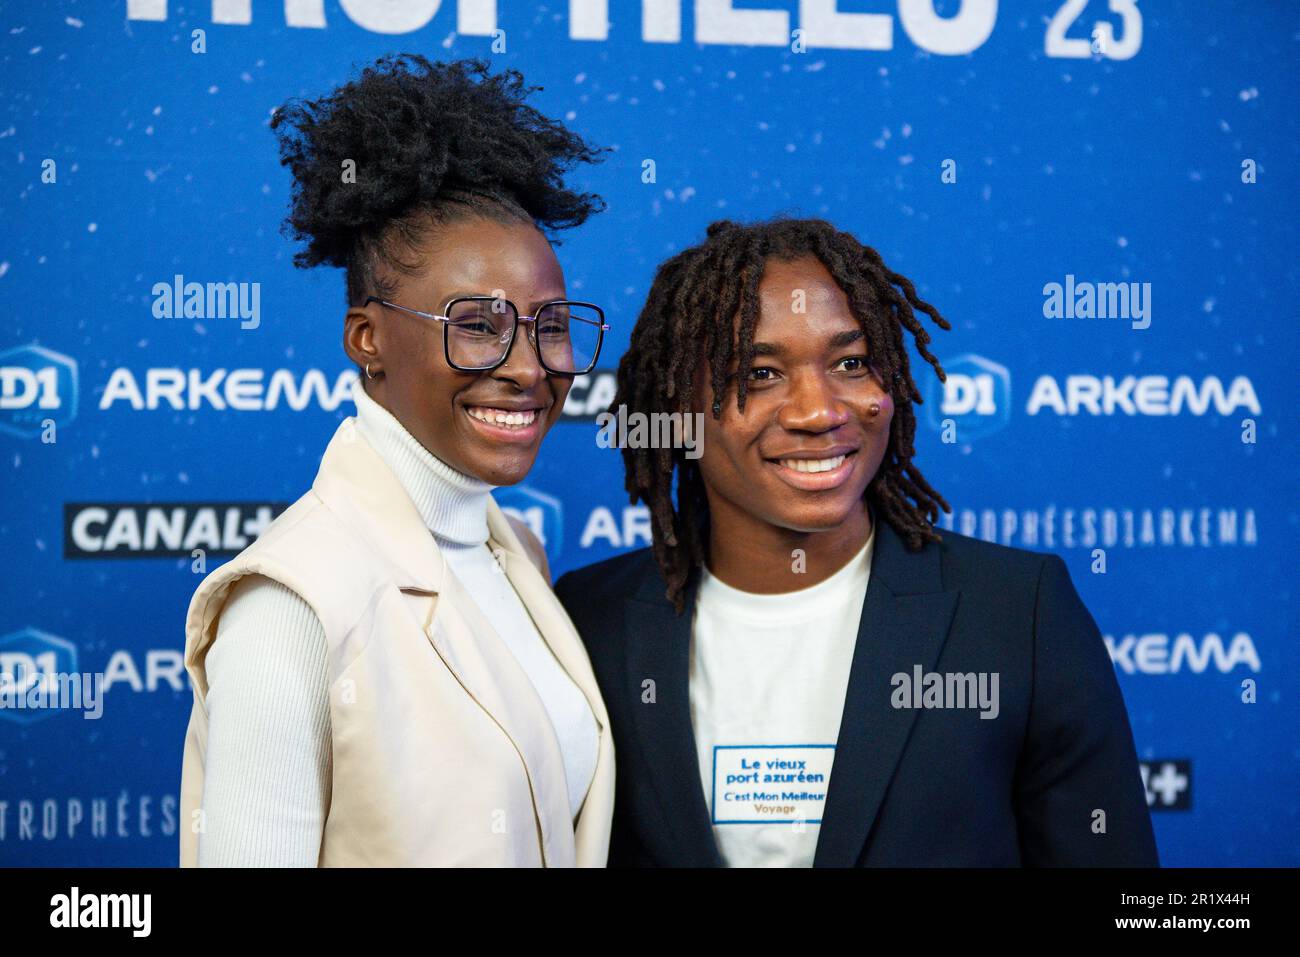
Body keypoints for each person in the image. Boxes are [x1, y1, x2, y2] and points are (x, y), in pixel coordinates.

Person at [556, 216, 1159, 867]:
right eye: (759, 373)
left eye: (850, 363)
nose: (818, 411)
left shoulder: (1018, 613)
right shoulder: (591, 621)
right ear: (679, 406)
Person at [178, 55, 615, 867]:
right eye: (479, 324)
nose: (530, 366)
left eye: (550, 324)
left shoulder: (514, 549)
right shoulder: (292, 607)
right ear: (366, 339)